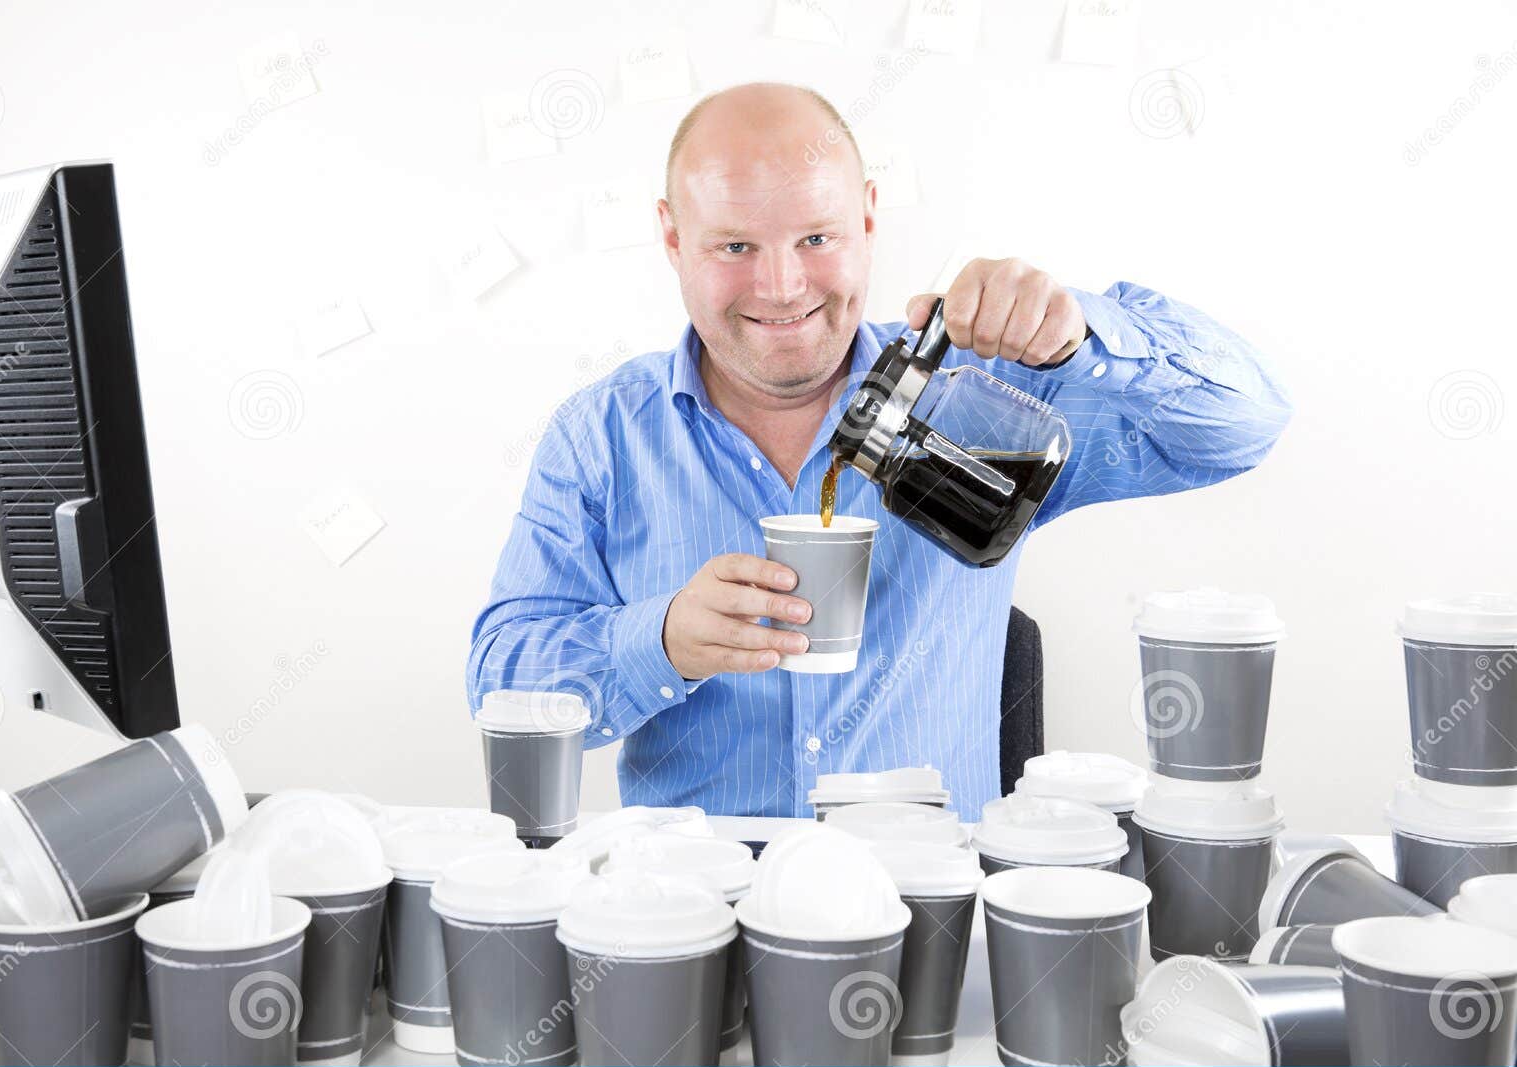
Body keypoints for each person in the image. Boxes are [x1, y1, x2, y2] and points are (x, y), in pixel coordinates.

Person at [466, 82, 1292, 820]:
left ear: (867, 217)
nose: (784, 286)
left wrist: (1082, 332)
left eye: (817, 237)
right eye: (735, 247)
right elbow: (500, 684)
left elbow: (1245, 422)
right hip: (698, 918)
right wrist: (664, 639)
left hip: (929, 910)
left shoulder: (982, 394)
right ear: (673, 239)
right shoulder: (603, 438)